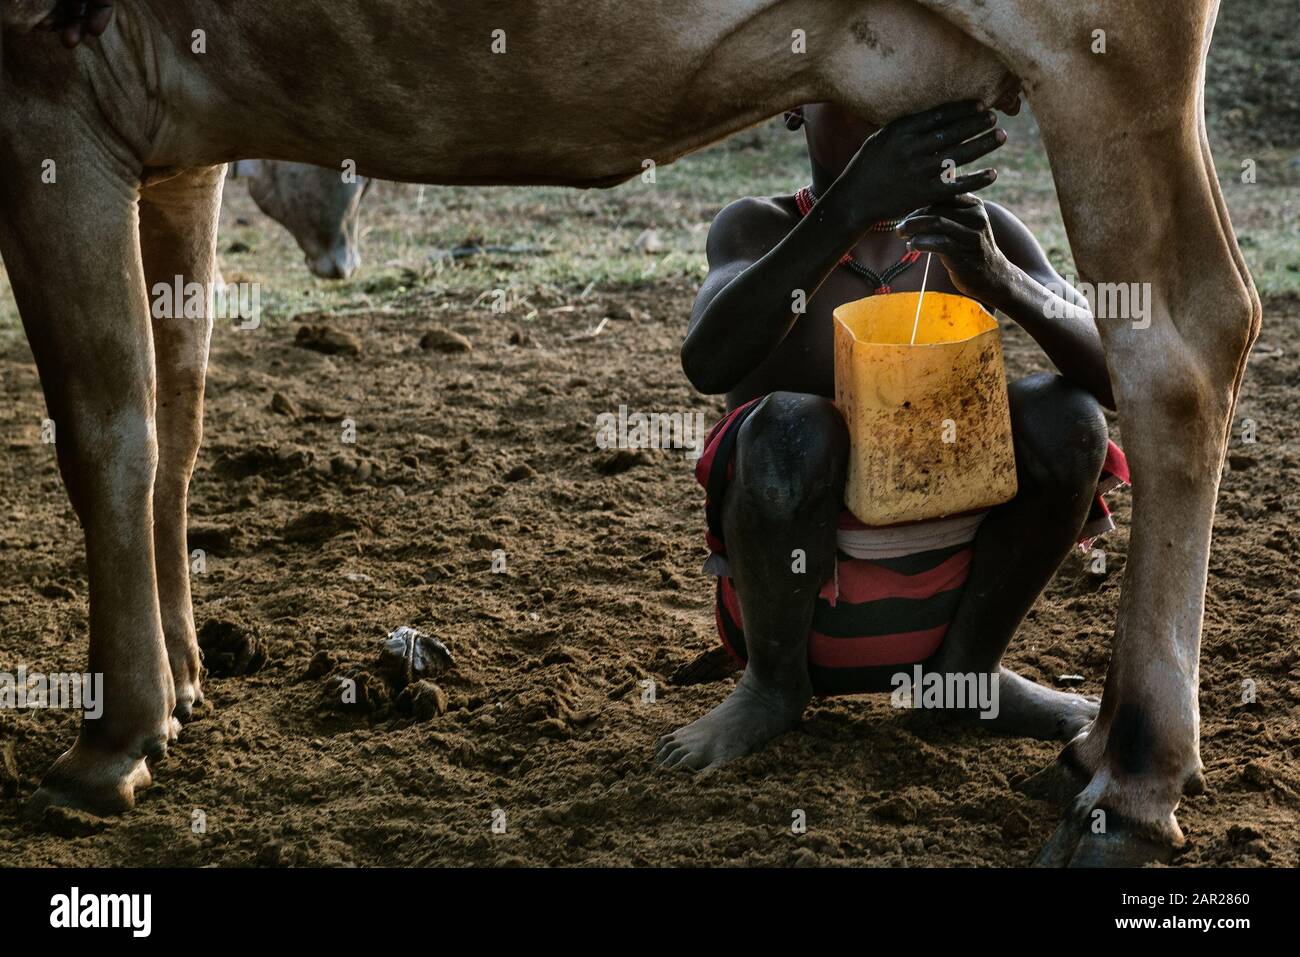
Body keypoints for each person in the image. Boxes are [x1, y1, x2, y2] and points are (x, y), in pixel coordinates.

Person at [657, 100, 1129, 771]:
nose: (885, 122)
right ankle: (771, 688)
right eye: (855, 95)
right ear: (794, 104)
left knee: (1070, 417)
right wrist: (847, 208)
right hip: (801, 615)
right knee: (791, 423)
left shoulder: (980, 232)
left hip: (947, 601)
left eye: (906, 98)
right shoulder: (758, 227)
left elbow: (1118, 380)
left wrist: (1004, 281)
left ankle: (966, 679)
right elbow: (708, 361)